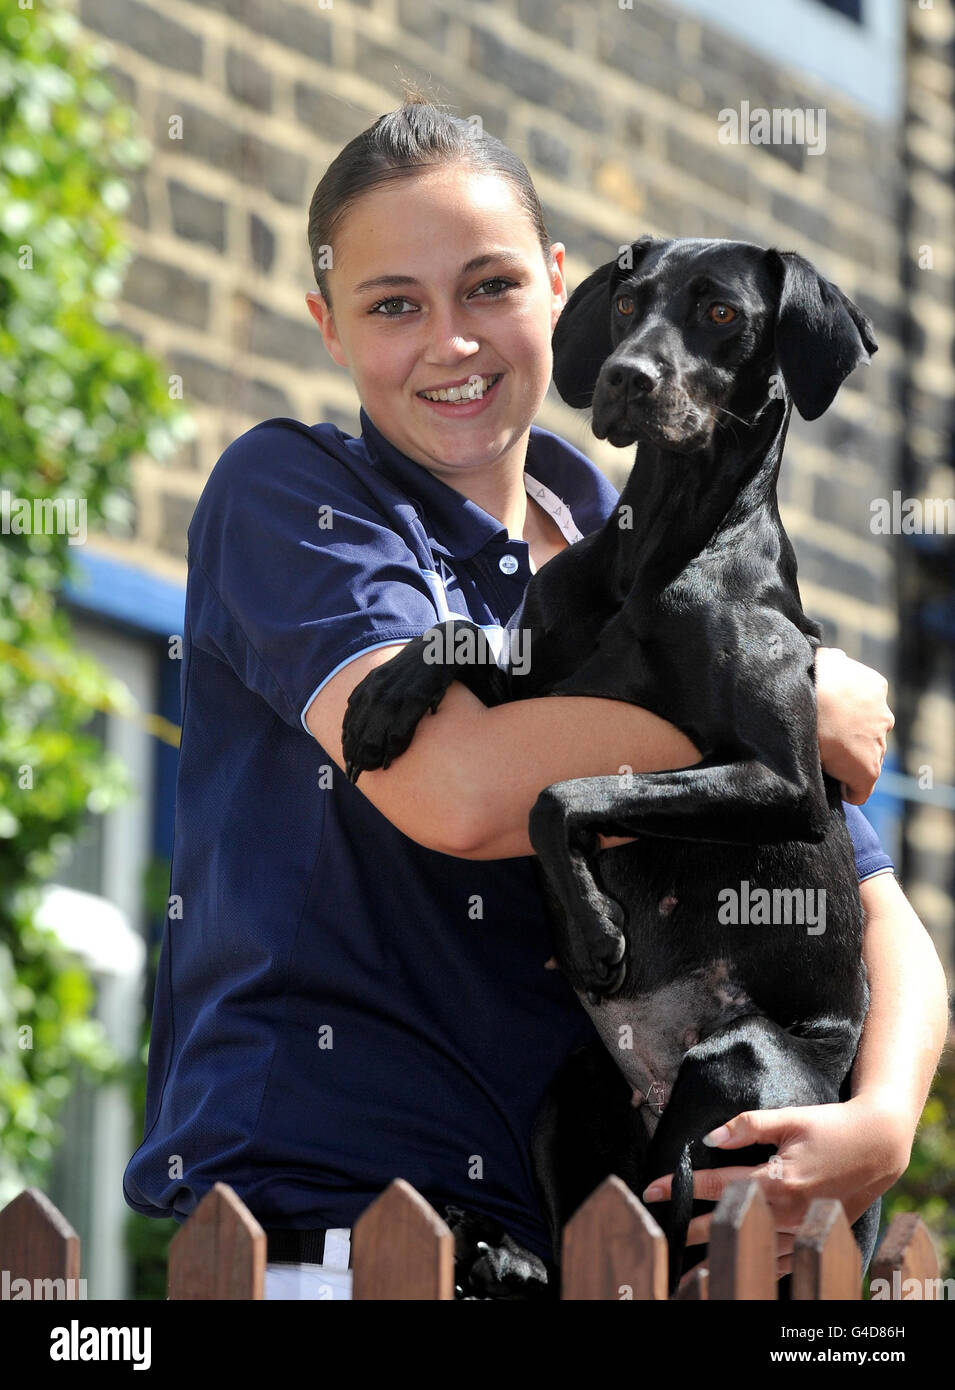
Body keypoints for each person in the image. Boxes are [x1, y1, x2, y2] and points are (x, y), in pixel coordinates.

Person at [122, 95, 949, 1301]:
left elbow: (874, 900)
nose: (449, 340)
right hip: (337, 1227)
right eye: (393, 304)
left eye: (489, 286)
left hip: (592, 1244)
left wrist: (879, 1125)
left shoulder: (647, 547)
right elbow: (456, 789)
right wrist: (780, 703)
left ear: (562, 289)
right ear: (327, 325)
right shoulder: (294, 496)